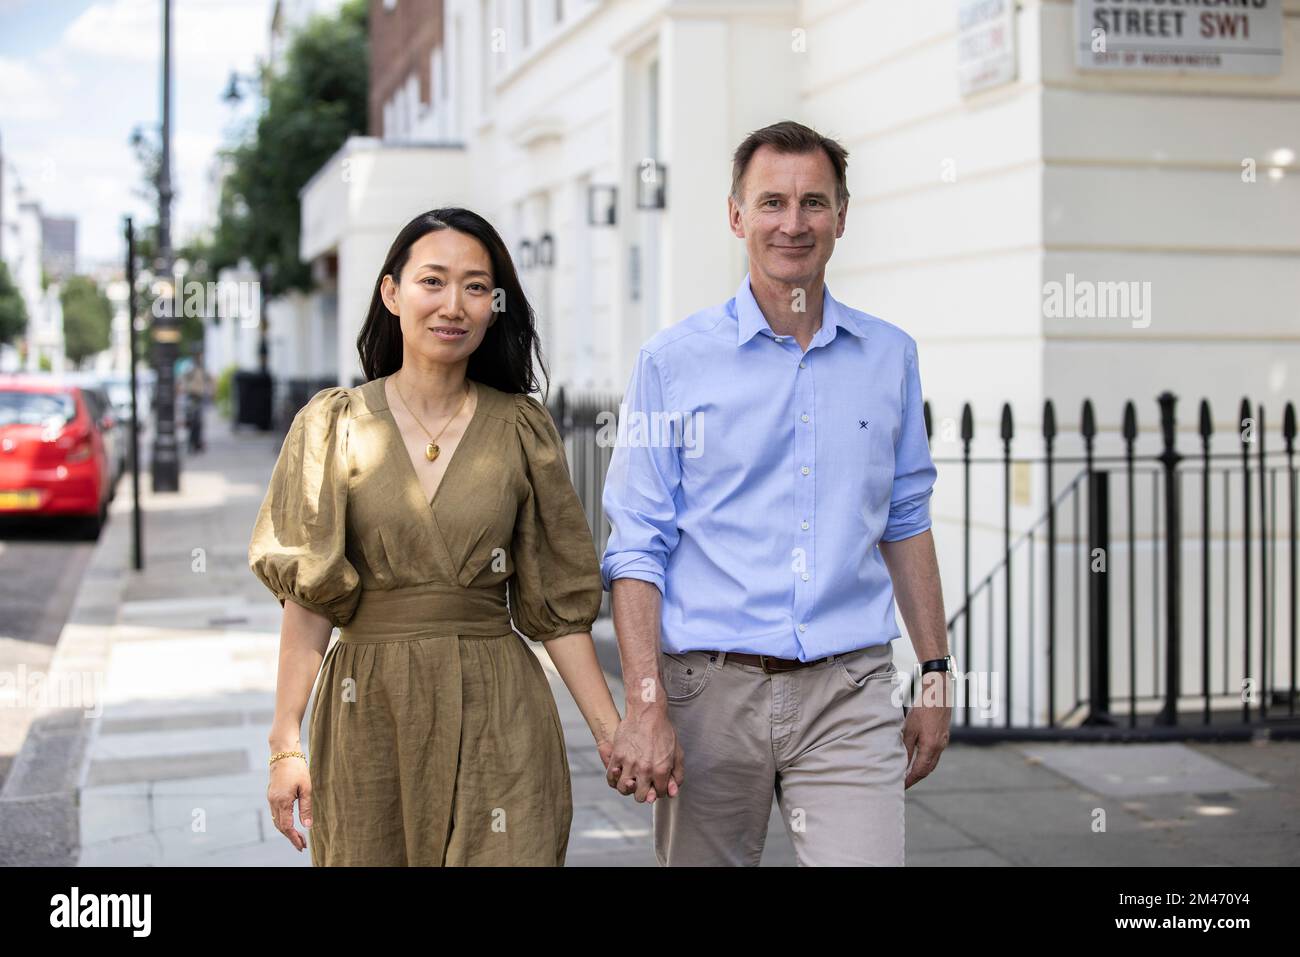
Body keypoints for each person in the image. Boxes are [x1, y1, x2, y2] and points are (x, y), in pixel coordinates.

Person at [599, 120, 953, 866]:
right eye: (772, 203)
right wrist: (646, 703)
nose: (793, 223)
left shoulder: (889, 356)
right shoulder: (672, 363)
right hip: (707, 692)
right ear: (736, 216)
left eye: (814, 203)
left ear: (842, 217)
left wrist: (934, 672)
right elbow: (637, 544)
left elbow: (906, 518)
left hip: (847, 687)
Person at [249, 207, 636, 866]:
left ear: (495, 305)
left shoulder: (521, 428)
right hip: (368, 708)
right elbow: (308, 599)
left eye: (477, 286)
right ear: (392, 292)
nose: (453, 304)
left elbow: (557, 608)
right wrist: (287, 740)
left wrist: (613, 731)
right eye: (433, 281)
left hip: (499, 709)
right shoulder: (332, 425)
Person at [178, 355, 213, 452]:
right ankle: (192, 443)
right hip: (192, 397)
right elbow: (183, 381)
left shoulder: (202, 370)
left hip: (199, 397)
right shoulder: (191, 370)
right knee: (193, 421)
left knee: (198, 422)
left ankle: (197, 443)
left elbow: (210, 380)